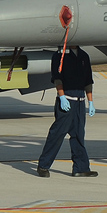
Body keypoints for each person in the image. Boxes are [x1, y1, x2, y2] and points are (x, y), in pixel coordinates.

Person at [36, 45, 97, 177]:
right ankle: (43, 165)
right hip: (67, 100)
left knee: (79, 135)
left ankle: (80, 168)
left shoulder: (84, 56)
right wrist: (62, 96)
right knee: (57, 134)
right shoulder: (59, 56)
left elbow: (88, 81)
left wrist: (90, 101)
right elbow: (58, 78)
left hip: (80, 102)